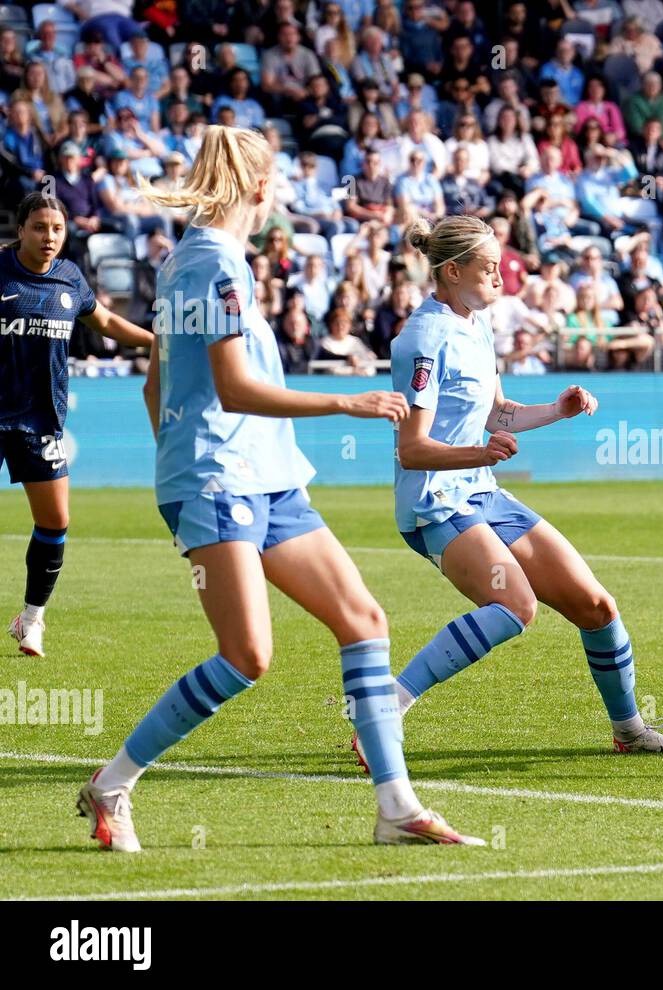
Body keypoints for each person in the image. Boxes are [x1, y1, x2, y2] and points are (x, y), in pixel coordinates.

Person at [75, 126, 478, 853]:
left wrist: (181, 454)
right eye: (280, 182)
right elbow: (230, 387)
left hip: (265, 476)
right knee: (246, 656)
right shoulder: (216, 268)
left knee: (363, 618)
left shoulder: (191, 262)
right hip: (220, 479)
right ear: (260, 189)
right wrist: (340, 404)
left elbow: (155, 385)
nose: (284, 194)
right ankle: (111, 784)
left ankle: (396, 807)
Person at [357, 214, 663, 769]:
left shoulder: (476, 326)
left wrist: (556, 411)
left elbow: (499, 413)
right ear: (451, 271)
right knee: (515, 605)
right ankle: (384, 709)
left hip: (480, 491)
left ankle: (631, 731)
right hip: (435, 503)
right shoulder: (421, 340)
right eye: (489, 268)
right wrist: (482, 452)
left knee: (596, 605)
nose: (501, 276)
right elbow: (412, 449)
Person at [3, 192, 154, 657]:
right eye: (39, 227)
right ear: (21, 230)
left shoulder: (69, 277)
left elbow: (105, 320)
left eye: (56, 229)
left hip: (41, 422)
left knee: (55, 520)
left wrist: (157, 342)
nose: (48, 237)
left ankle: (31, 620)